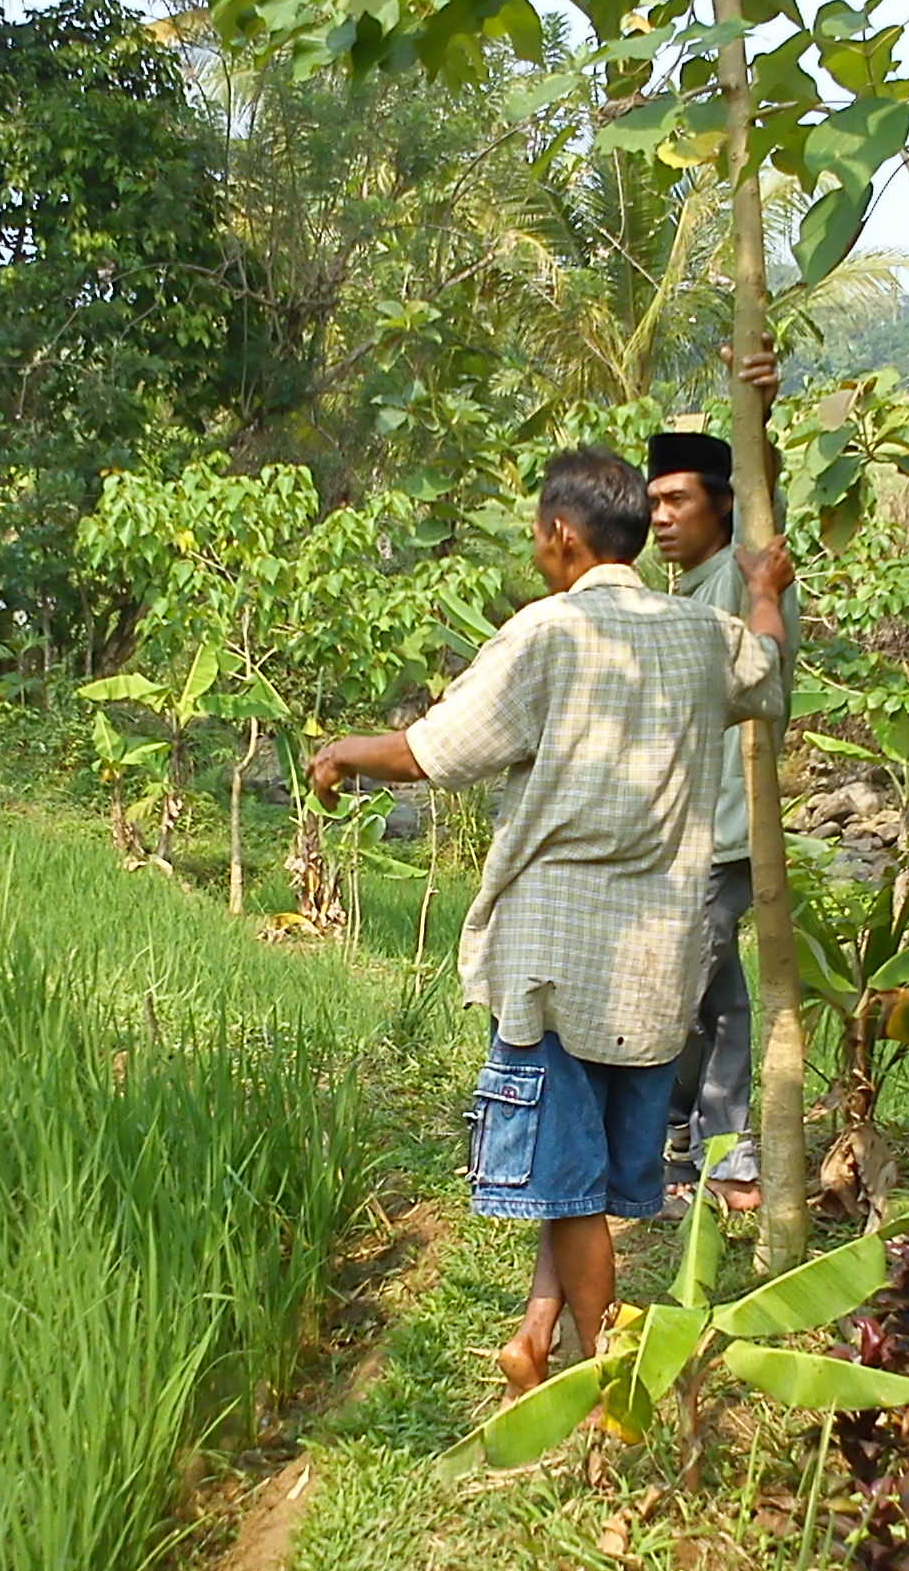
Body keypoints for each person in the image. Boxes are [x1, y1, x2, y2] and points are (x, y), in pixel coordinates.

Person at [308, 447, 795, 1393]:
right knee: (586, 1178)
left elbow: (432, 753)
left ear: (564, 537)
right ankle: (535, 1337)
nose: (537, 554)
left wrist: (341, 753)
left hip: (554, 962)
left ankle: (598, 1379)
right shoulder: (698, 633)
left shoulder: (547, 635)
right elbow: (766, 674)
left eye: (537, 538)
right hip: (656, 965)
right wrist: (763, 585)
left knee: (569, 1191)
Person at [645, 416, 800, 1212]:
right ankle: (722, 1153)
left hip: (723, 830)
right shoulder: (690, 588)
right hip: (694, 825)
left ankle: (678, 1153)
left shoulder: (741, 576)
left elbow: (762, 486)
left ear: (721, 505)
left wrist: (760, 411)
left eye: (677, 501)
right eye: (654, 503)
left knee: (676, 995)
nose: (661, 518)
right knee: (720, 1001)